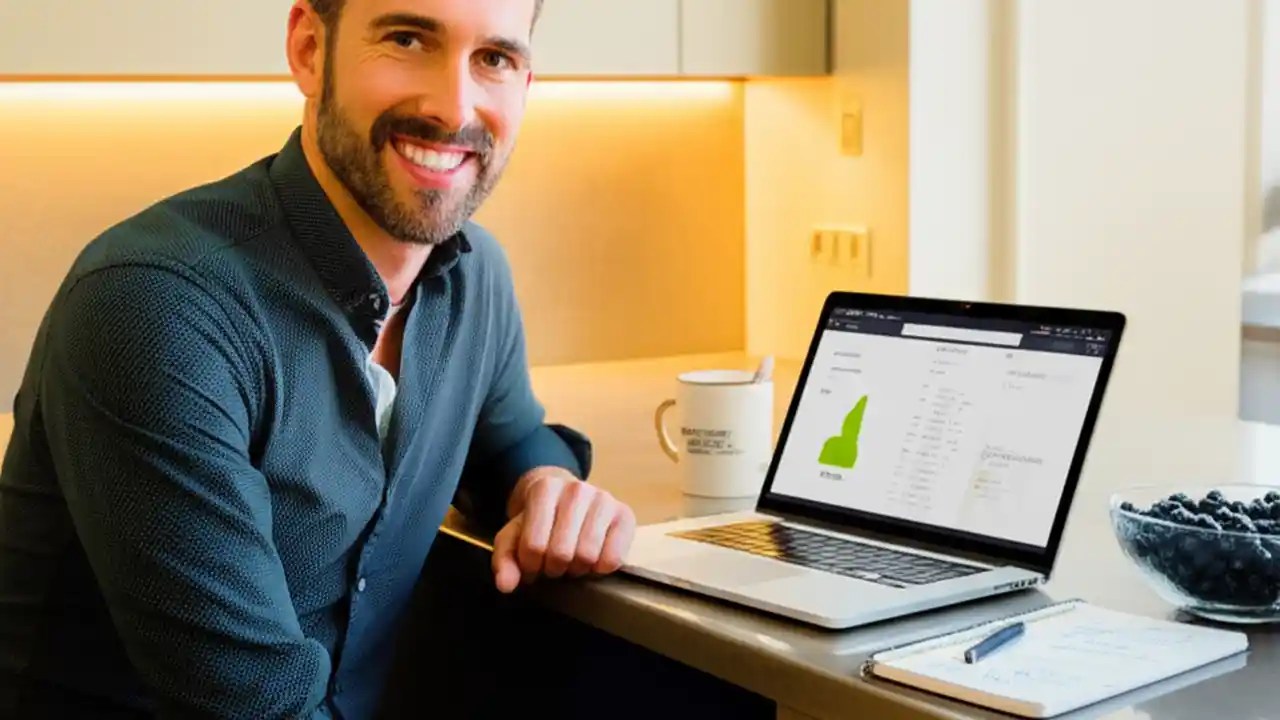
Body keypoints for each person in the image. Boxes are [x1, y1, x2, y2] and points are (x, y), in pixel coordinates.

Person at [0, 0, 637, 717]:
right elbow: (254, 707)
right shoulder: (157, 308)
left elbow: (512, 439)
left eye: (494, 58)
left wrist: (544, 485)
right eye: (406, 38)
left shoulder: (474, 279)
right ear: (308, 48)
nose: (453, 105)